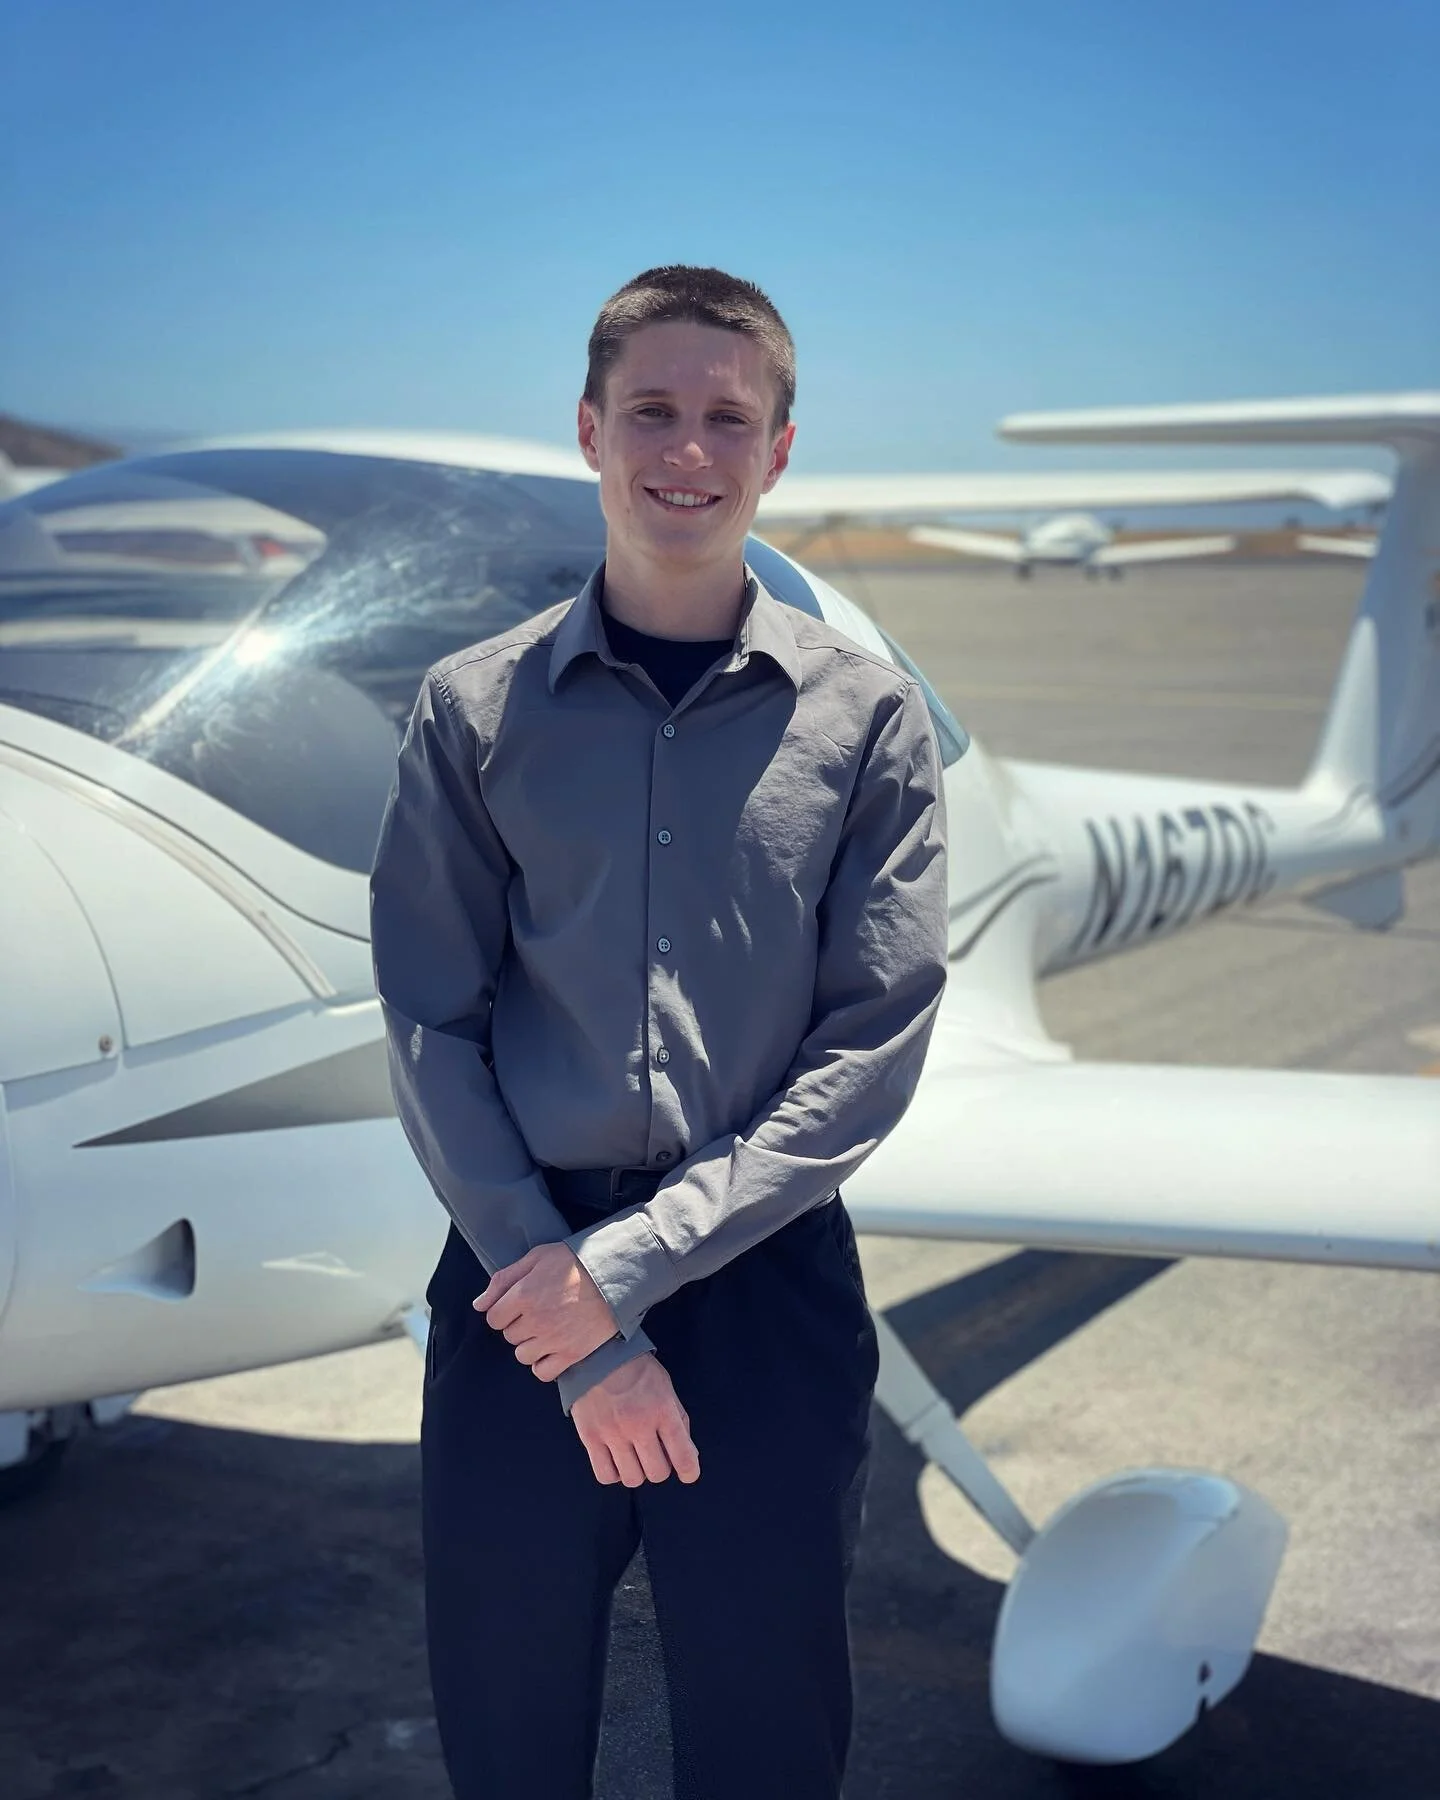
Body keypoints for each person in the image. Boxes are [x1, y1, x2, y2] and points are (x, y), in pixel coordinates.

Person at [369, 265, 950, 1800]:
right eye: (651, 411)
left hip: (762, 1290)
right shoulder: (470, 709)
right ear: (587, 427)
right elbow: (431, 1020)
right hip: (516, 1284)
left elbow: (871, 1043)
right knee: (509, 1727)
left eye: (725, 418)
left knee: (765, 1736)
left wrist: (615, 1280)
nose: (685, 450)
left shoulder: (867, 719)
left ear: (778, 450)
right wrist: (552, 1293)